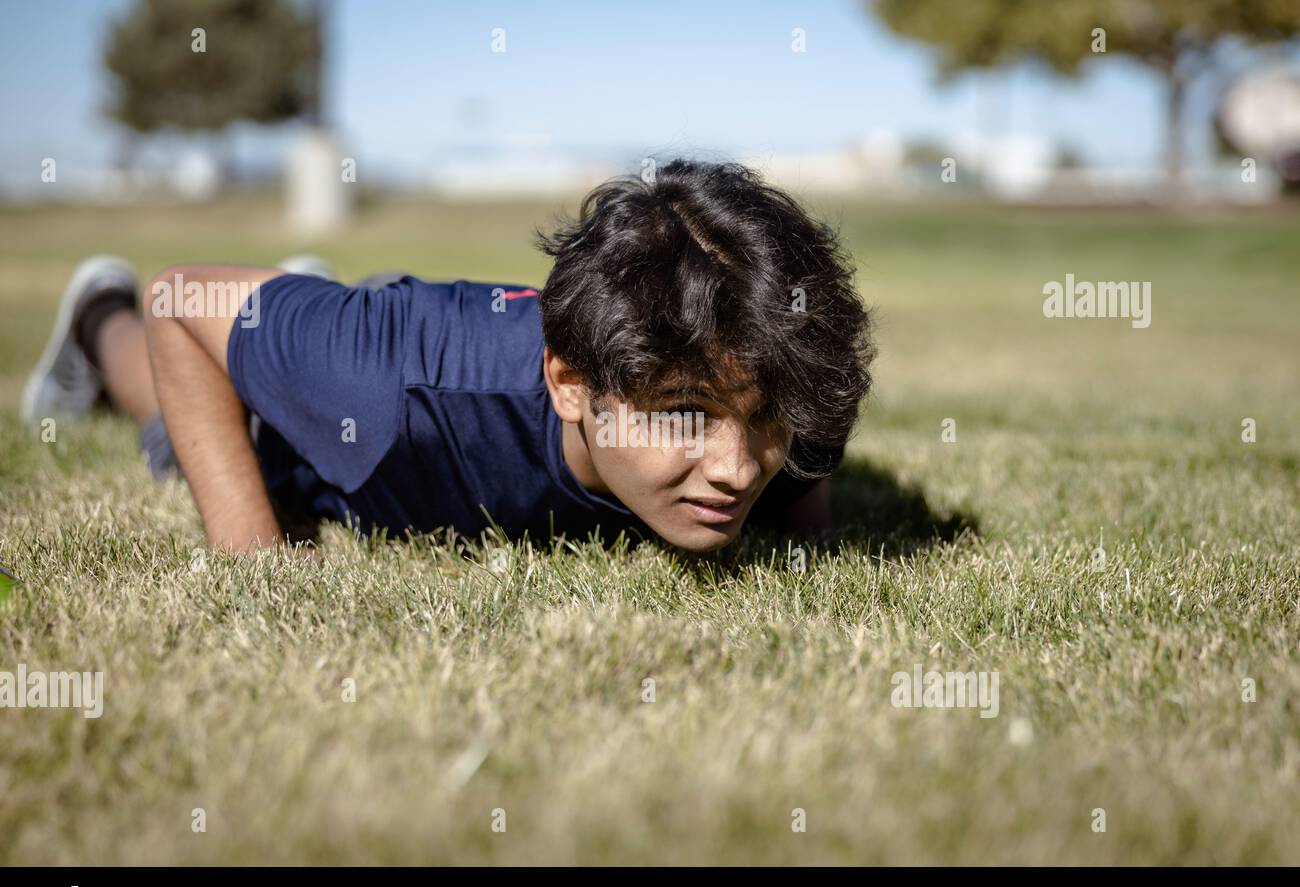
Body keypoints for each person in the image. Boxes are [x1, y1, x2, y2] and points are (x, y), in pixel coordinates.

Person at [22, 159, 874, 554]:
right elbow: (178, 303)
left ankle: (295, 296)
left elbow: (796, 426)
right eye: (687, 416)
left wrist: (806, 529)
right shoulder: (396, 382)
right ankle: (98, 315)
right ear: (571, 384)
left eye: (764, 419)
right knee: (178, 433)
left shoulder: (782, 393)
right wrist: (253, 557)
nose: (734, 469)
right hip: (326, 401)